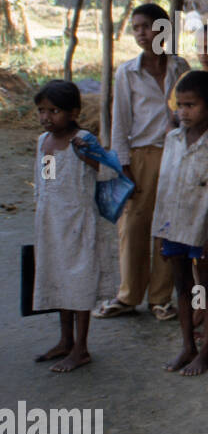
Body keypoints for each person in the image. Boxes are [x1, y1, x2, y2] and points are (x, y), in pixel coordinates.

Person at [94, 3, 190, 321]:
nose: (140, 33)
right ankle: (128, 295)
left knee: (167, 225)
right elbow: (119, 123)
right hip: (139, 156)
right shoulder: (127, 73)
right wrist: (123, 166)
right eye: (135, 28)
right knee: (133, 226)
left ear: (163, 29)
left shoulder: (180, 67)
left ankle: (160, 298)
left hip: (175, 155)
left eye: (146, 26)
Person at [31, 81, 118, 373]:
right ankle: (65, 340)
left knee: (80, 282)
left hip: (79, 223)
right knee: (59, 281)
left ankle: (81, 347)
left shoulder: (83, 139)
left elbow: (108, 172)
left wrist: (88, 156)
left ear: (73, 112)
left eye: (53, 111)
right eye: (42, 111)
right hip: (52, 224)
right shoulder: (44, 141)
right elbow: (46, 181)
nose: (46, 117)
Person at [152, 70, 208, 377]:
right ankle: (187, 345)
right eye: (180, 105)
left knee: (207, 289)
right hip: (175, 226)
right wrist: (161, 231)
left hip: (203, 230)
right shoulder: (172, 140)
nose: (183, 112)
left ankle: (207, 349)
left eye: (190, 105)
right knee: (183, 288)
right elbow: (165, 187)